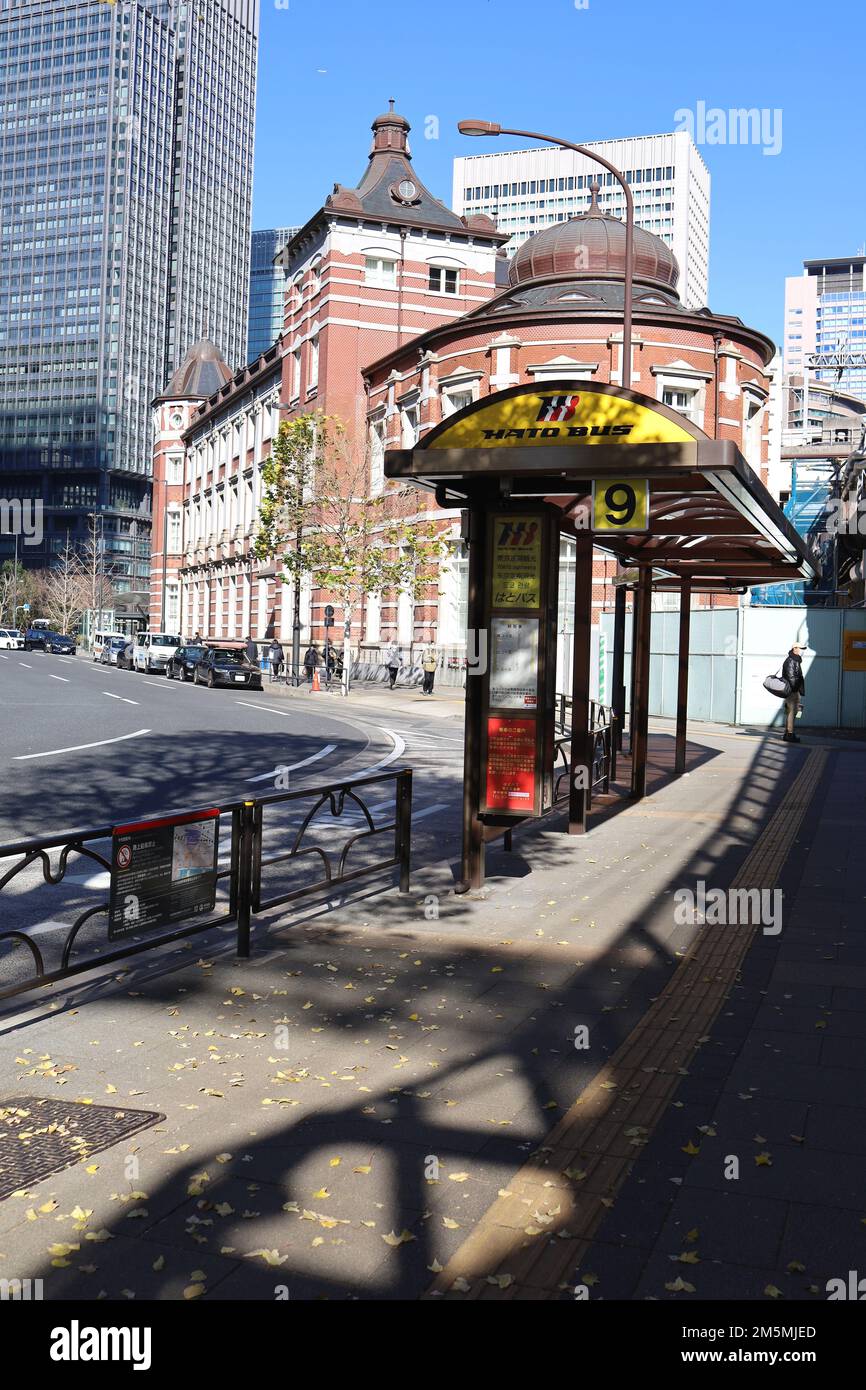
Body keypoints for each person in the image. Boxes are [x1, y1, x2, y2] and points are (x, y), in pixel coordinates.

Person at [781, 643, 806, 743]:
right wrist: (796, 689)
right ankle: (789, 734)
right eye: (799, 648)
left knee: (791, 712)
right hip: (792, 691)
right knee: (791, 712)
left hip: (793, 691)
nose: (800, 650)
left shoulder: (795, 660)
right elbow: (791, 677)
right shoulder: (791, 660)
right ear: (794, 648)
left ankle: (788, 733)